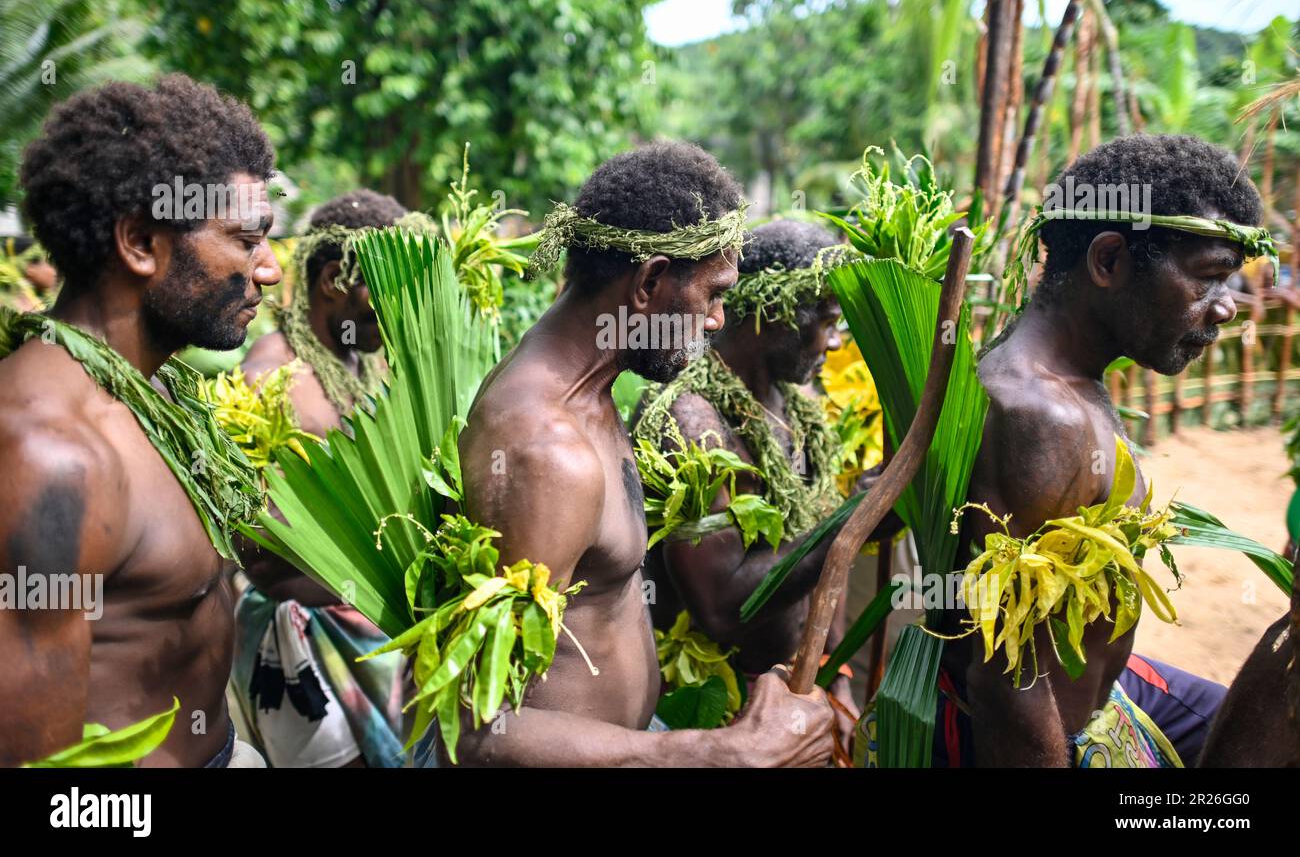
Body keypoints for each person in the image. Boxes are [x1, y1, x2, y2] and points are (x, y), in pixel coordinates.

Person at [451, 141, 834, 766]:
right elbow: (475, 733)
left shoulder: (587, 390)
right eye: (712, 294)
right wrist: (724, 753)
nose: (716, 321)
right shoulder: (545, 450)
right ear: (652, 281)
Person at [936, 133, 1276, 767]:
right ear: (1109, 261)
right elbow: (1008, 677)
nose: (1227, 308)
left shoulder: (1071, 379)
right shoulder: (1040, 417)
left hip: (1104, 699)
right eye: (1207, 278)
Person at [0, 75, 281, 767]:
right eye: (245, 240)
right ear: (139, 242)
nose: (269, 270)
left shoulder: (160, 399)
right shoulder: (52, 454)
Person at [635, 219, 891, 744]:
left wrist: (835, 671)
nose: (837, 342)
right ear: (773, 314)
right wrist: (852, 522)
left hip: (797, 697)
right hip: (713, 719)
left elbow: (822, 567)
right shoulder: (690, 422)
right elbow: (723, 606)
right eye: (827, 320)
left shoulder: (802, 410)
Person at [233, 190, 408, 768]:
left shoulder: (367, 365)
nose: (403, 307)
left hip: (379, 631)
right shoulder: (274, 379)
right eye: (390, 286)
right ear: (336, 279)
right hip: (307, 650)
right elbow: (260, 552)